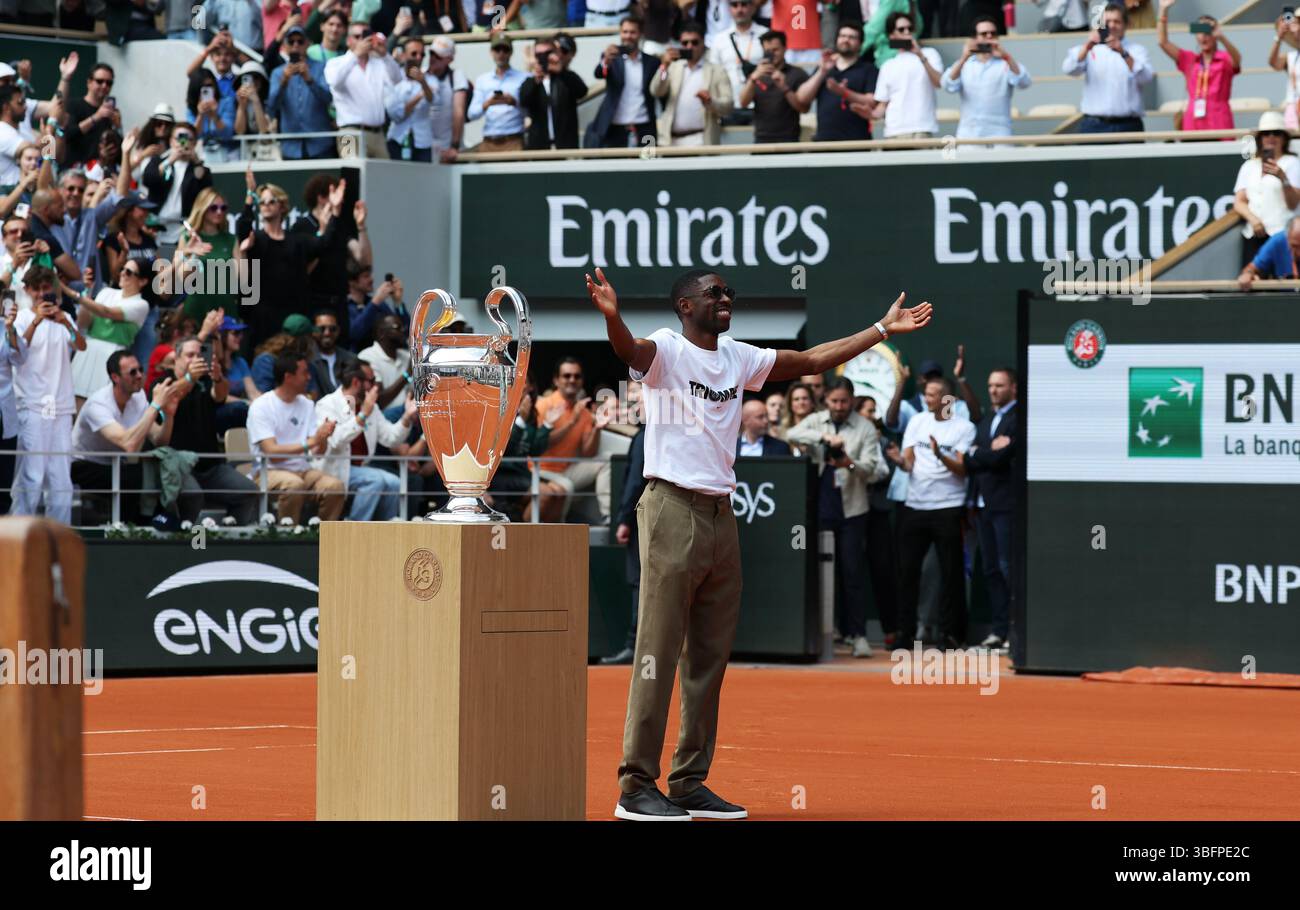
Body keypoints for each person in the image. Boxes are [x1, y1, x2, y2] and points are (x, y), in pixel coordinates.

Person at [585, 263, 932, 820]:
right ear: (685, 306)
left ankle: (689, 780)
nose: (726, 297)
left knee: (709, 656)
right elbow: (631, 351)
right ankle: (635, 785)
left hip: (722, 514)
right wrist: (613, 317)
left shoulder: (739, 358)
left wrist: (882, 330)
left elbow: (814, 359)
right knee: (656, 651)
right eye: (713, 292)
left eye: (728, 292)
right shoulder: (668, 350)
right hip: (671, 506)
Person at [787, 377, 885, 657]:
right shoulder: (817, 421)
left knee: (852, 572)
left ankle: (858, 635)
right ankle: (819, 632)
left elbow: (871, 468)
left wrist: (848, 462)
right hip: (819, 505)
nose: (839, 407)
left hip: (852, 508)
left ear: (852, 400)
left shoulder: (865, 427)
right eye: (834, 401)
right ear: (826, 400)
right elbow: (792, 433)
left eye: (844, 401)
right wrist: (823, 438)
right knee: (815, 573)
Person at [895, 375, 975, 650]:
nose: (926, 399)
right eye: (926, 394)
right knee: (907, 573)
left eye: (931, 395)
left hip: (948, 507)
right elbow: (908, 462)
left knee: (950, 573)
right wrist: (899, 461)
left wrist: (940, 454)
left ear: (946, 398)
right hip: (915, 506)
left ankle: (950, 635)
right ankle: (904, 635)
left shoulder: (964, 429)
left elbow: (963, 469)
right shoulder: (917, 421)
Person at [237, 166, 345, 345]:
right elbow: (243, 228)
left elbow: (324, 244)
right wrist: (250, 194)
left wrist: (335, 211)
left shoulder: (297, 240)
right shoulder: (256, 240)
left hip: (293, 315)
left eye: (271, 201)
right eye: (262, 203)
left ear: (282, 206)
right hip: (262, 317)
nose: (265, 206)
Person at [11, 266, 86, 523]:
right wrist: (36, 320)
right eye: (38, 289)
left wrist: (65, 321)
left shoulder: (63, 317)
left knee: (61, 477)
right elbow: (17, 352)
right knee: (32, 474)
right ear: (28, 290)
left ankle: (60, 535)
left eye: (47, 288)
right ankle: (19, 532)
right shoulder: (21, 318)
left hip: (61, 405)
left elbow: (81, 345)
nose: (43, 294)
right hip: (32, 404)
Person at [70, 350, 178, 523]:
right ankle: (131, 529)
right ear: (115, 377)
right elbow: (128, 444)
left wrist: (169, 415)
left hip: (115, 465)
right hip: (83, 465)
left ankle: (156, 526)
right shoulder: (98, 404)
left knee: (157, 473)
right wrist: (155, 405)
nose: (140, 376)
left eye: (140, 370)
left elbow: (159, 440)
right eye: (132, 372)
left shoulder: (139, 396)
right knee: (134, 477)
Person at [246, 351, 345, 522]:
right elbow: (272, 452)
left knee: (335, 486)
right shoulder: (261, 405)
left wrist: (323, 437)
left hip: (302, 470)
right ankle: (289, 537)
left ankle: (323, 538)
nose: (309, 377)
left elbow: (318, 452)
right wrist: (311, 442)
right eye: (305, 373)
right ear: (288, 377)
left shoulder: (306, 404)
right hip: (267, 472)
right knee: (294, 485)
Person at [316, 361, 419, 521]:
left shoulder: (370, 406)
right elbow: (335, 441)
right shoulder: (328, 404)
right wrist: (362, 415)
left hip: (360, 469)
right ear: (357, 382)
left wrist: (406, 417)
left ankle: (384, 528)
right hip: (333, 469)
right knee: (375, 481)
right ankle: (355, 528)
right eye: (371, 381)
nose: (376, 386)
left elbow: (390, 439)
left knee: (394, 483)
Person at [962, 367, 1018, 652]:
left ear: (1014, 388)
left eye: (999, 385)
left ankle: (1016, 632)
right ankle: (998, 632)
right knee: (992, 569)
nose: (993, 390)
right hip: (981, 506)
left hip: (1006, 506)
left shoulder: (1017, 418)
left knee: (1009, 568)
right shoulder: (986, 422)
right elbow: (969, 459)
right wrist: (982, 453)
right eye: (990, 385)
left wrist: (978, 453)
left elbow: (1001, 458)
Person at [533, 356, 611, 523]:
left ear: (582, 381)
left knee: (607, 459)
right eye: (567, 376)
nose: (572, 380)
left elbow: (588, 452)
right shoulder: (544, 404)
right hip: (539, 470)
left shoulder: (583, 412)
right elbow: (539, 444)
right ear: (556, 380)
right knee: (565, 486)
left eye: (577, 376)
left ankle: (608, 518)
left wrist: (596, 428)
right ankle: (562, 529)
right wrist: (571, 422)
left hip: (566, 470)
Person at [601, 379, 644, 665]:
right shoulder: (648, 433)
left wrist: (624, 519)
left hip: (644, 521)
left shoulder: (646, 435)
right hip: (651, 518)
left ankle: (636, 646)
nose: (634, 405)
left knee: (641, 583)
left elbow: (635, 481)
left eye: (639, 399)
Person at [1062, 3, 1153, 135]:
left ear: (1126, 25)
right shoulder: (1089, 49)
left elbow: (1146, 78)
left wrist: (1123, 52)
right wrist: (1087, 47)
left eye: (1117, 21)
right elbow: (1069, 70)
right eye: (1107, 22)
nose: (1111, 25)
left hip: (1128, 125)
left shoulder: (1137, 50)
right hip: (1094, 125)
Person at [941, 16, 1031, 141]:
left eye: (993, 34)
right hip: (969, 134)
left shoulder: (1005, 62)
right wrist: (964, 57)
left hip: (1000, 134)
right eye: (984, 34)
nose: (989, 37)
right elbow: (947, 85)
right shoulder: (966, 64)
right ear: (975, 38)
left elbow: (1024, 82)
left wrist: (1006, 57)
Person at [1156, 0, 1237, 133]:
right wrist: (1163, 10)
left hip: (1219, 121)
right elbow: (1163, 42)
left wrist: (1222, 37)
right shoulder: (1189, 59)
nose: (1204, 37)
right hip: (1193, 122)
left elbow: (1237, 61)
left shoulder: (1224, 59)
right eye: (1200, 31)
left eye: (1208, 31)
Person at [1232, 112, 1300, 268]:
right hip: (1253, 235)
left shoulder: (1292, 163)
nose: (1271, 137)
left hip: (1282, 235)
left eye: (1276, 133)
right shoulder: (1249, 166)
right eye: (1266, 134)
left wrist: (1283, 179)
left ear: (1284, 138)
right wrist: (1253, 220)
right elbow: (1239, 201)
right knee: (1251, 279)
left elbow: (1293, 204)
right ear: (1260, 139)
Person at [326, 23, 402, 159]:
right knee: (353, 174)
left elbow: (397, 79)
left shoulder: (379, 63)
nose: (362, 40)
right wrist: (355, 55)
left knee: (384, 177)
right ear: (349, 40)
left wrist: (385, 54)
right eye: (357, 36)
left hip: (377, 133)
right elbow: (334, 81)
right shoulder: (336, 62)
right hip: (348, 133)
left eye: (366, 36)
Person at [651, 21, 733, 147]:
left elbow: (728, 106)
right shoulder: (672, 67)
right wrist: (664, 67)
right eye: (685, 43)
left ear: (703, 43)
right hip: (671, 140)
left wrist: (710, 102)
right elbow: (656, 90)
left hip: (701, 139)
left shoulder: (717, 70)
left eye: (694, 42)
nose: (689, 47)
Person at [587, 16, 661, 149]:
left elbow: (659, 89)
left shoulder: (652, 62)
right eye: (625, 32)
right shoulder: (612, 59)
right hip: (615, 126)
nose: (628, 36)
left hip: (645, 127)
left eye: (632, 32)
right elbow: (599, 73)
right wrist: (606, 61)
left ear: (640, 34)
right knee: (614, 166)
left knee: (648, 163)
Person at [268, 24, 337, 160]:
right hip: (290, 147)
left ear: (307, 44)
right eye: (291, 41)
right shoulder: (277, 73)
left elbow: (328, 99)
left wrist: (310, 80)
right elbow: (271, 108)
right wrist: (283, 82)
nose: (295, 45)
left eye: (300, 41)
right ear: (285, 45)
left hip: (320, 144)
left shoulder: (321, 67)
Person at [871, 12, 943, 140]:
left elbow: (939, 83)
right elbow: (883, 104)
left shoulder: (930, 54)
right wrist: (871, 113)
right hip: (893, 131)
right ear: (892, 36)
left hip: (921, 128)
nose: (907, 32)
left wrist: (920, 56)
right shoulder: (888, 65)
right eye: (901, 29)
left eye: (910, 28)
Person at [805, 23, 878, 142]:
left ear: (861, 43)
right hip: (823, 142)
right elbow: (803, 100)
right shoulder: (825, 67)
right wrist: (822, 71)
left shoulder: (869, 69)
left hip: (858, 143)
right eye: (842, 36)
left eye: (852, 37)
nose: (846, 40)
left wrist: (844, 92)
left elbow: (872, 102)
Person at [739, 31, 810, 144]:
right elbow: (743, 103)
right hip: (761, 140)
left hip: (789, 140)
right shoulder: (757, 75)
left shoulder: (797, 74)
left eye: (775, 50)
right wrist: (753, 79)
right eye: (767, 51)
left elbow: (804, 108)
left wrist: (784, 88)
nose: (772, 54)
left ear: (784, 48)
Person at [520, 36, 590, 150]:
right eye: (539, 54)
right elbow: (524, 100)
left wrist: (561, 70)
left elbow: (582, 91)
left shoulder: (565, 77)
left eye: (548, 53)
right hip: (539, 148)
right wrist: (535, 79)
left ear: (556, 53)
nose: (543, 57)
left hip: (566, 147)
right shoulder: (530, 81)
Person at [709, 0, 767, 126]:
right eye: (734, 5)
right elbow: (713, 74)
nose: (739, 9)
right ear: (729, 9)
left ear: (753, 7)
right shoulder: (720, 39)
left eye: (744, 4)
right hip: (729, 105)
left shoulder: (766, 34)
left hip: (760, 105)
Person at [469, 34, 529, 153]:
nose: (501, 54)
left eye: (505, 50)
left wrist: (514, 103)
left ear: (511, 52)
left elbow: (532, 112)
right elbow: (471, 114)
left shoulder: (524, 78)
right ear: (491, 52)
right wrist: (487, 104)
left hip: (514, 140)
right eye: (497, 49)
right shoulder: (483, 79)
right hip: (488, 141)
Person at [385, 36, 438, 162]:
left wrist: (423, 83)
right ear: (403, 55)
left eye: (422, 54)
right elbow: (396, 114)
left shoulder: (430, 79)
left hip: (422, 141)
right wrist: (419, 96)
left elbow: (433, 100)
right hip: (398, 138)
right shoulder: (394, 78)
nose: (418, 58)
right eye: (414, 54)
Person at [426, 36, 470, 163]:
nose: (433, 58)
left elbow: (459, 112)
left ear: (449, 59)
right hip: (423, 147)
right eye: (431, 53)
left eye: (438, 56)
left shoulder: (456, 76)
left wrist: (454, 147)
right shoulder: (421, 75)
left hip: (447, 149)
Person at [0, 291, 25, 515]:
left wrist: (10, 328)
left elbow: (20, 358)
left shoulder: (6, 328)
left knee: (3, 481)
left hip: (4, 414)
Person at [1237, 215, 1300, 290]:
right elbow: (1251, 268)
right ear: (1287, 236)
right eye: (1295, 246)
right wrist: (1248, 274)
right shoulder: (1277, 241)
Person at [309, 308, 360, 394]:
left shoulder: (351, 358)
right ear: (313, 331)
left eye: (332, 329)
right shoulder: (307, 360)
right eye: (322, 329)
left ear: (338, 330)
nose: (327, 333)